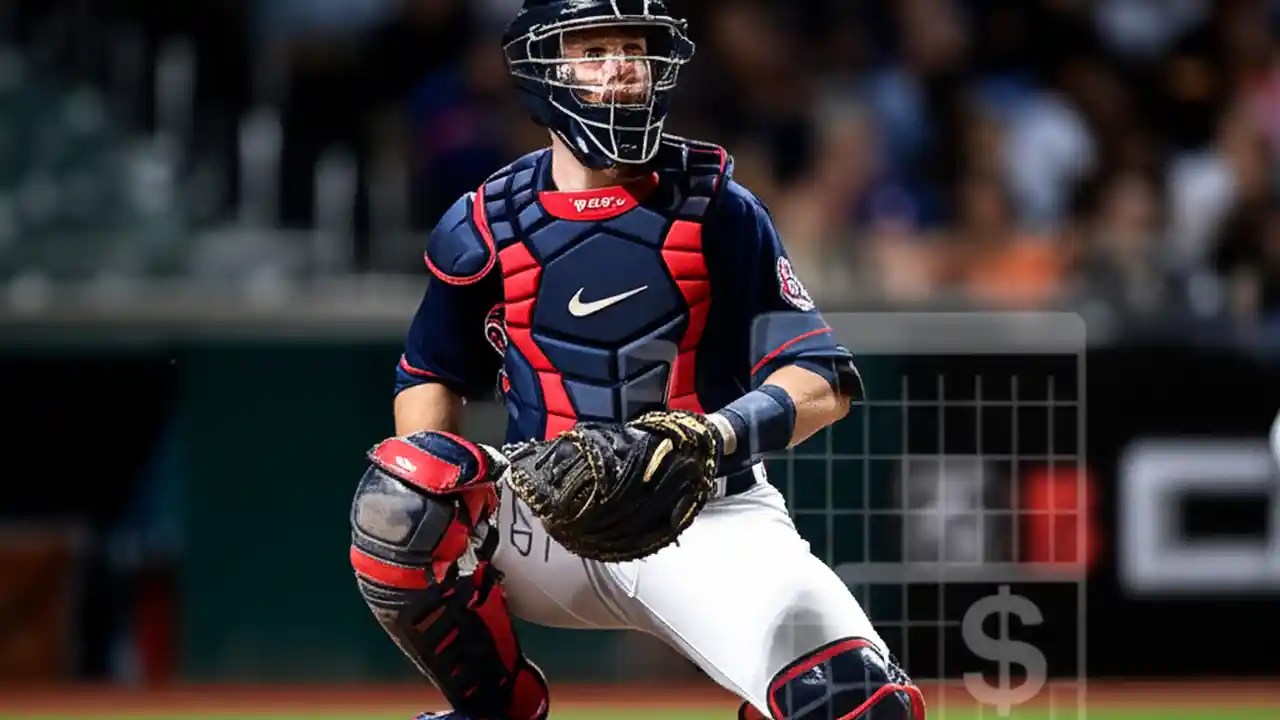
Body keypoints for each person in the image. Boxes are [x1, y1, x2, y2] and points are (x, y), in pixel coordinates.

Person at [347, 1, 926, 718]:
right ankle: (493, 705)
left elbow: (822, 381)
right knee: (403, 498)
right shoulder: (485, 224)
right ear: (543, 71)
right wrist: (447, 484)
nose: (622, 67)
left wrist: (710, 437)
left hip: (708, 514)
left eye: (633, 48)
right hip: (544, 515)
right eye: (595, 50)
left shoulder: (720, 207)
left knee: (862, 706)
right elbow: (430, 376)